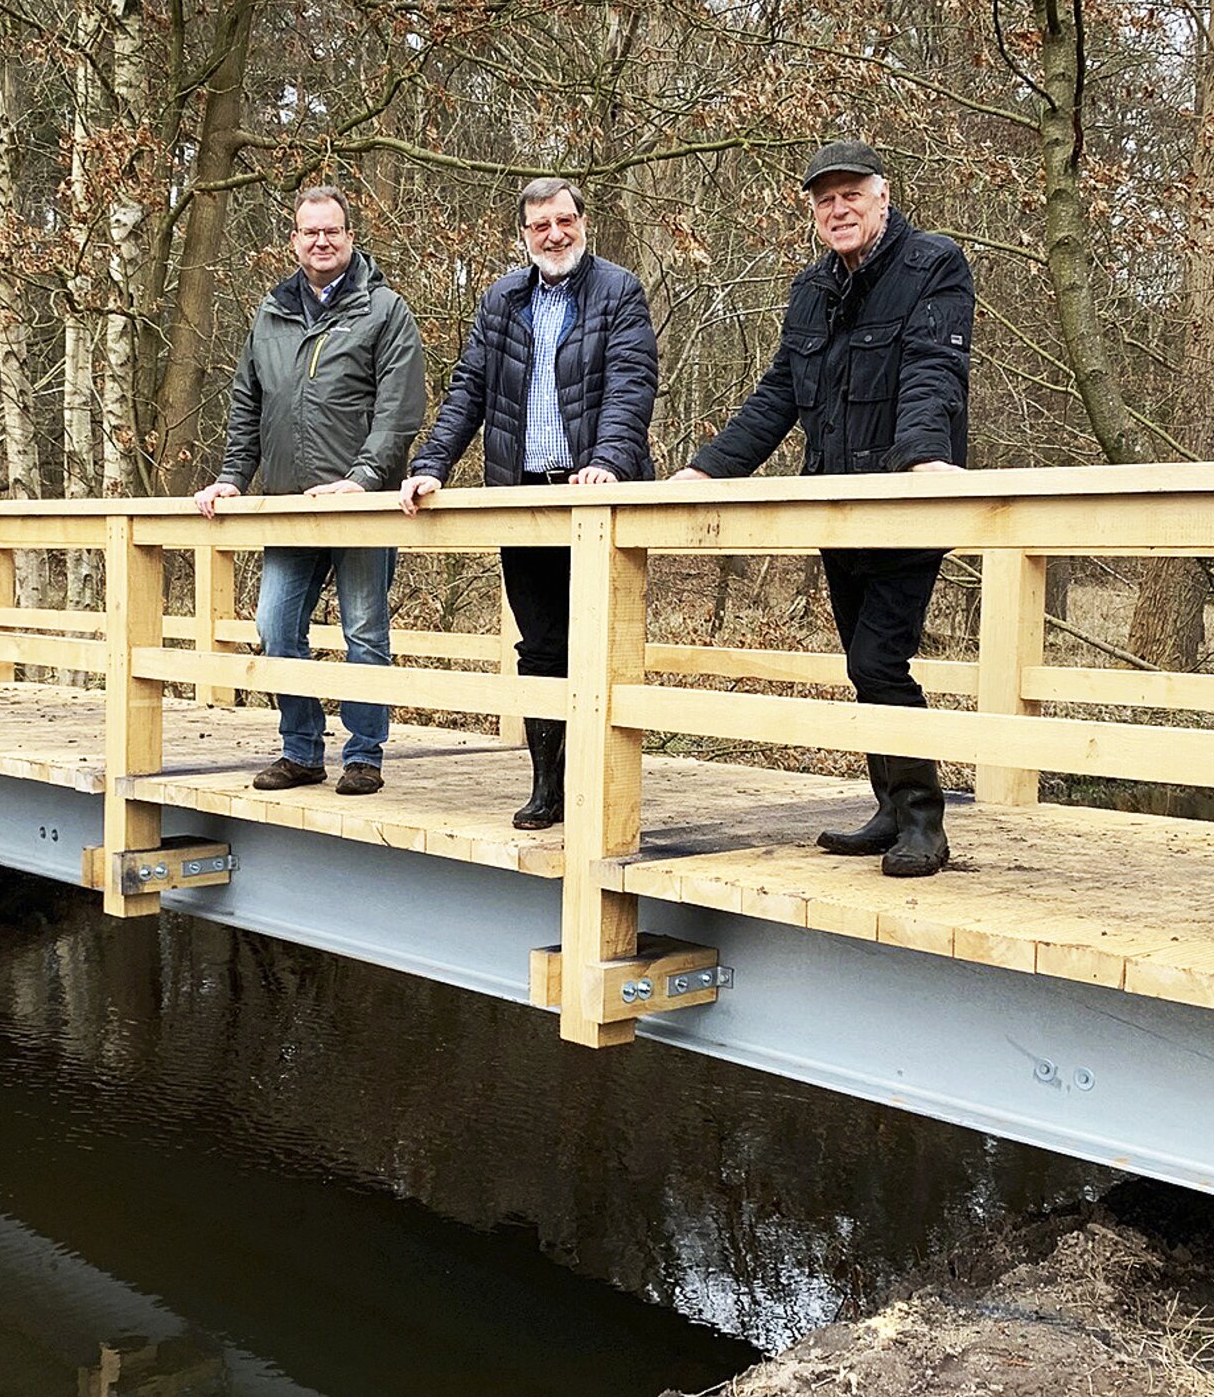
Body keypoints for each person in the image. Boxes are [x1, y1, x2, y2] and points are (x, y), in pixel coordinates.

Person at [674, 140, 974, 878]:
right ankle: (889, 811)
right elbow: (778, 393)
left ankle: (923, 825)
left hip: (904, 504)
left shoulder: (932, 265)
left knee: (879, 659)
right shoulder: (811, 288)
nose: (837, 210)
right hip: (832, 508)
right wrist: (707, 468)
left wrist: (922, 458)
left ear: (882, 197)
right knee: (863, 665)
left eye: (850, 196)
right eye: (824, 200)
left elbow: (934, 369)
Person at [399, 177, 658, 830]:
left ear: (583, 222)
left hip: (596, 498)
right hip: (522, 496)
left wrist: (608, 462)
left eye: (564, 220)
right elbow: (468, 390)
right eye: (540, 225)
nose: (555, 234)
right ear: (524, 235)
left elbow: (630, 385)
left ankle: (598, 784)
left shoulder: (618, 291)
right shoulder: (502, 300)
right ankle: (548, 785)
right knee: (540, 647)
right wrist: (430, 466)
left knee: (598, 646)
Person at [195, 186, 426, 796]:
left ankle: (364, 755)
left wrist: (363, 479)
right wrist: (231, 477)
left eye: (332, 231)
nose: (322, 241)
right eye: (310, 232)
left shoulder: (384, 310)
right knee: (274, 626)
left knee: (364, 632)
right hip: (288, 507)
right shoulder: (271, 313)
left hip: (360, 506)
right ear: (294, 240)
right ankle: (301, 750)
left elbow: (399, 410)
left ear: (350, 236)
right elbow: (247, 404)